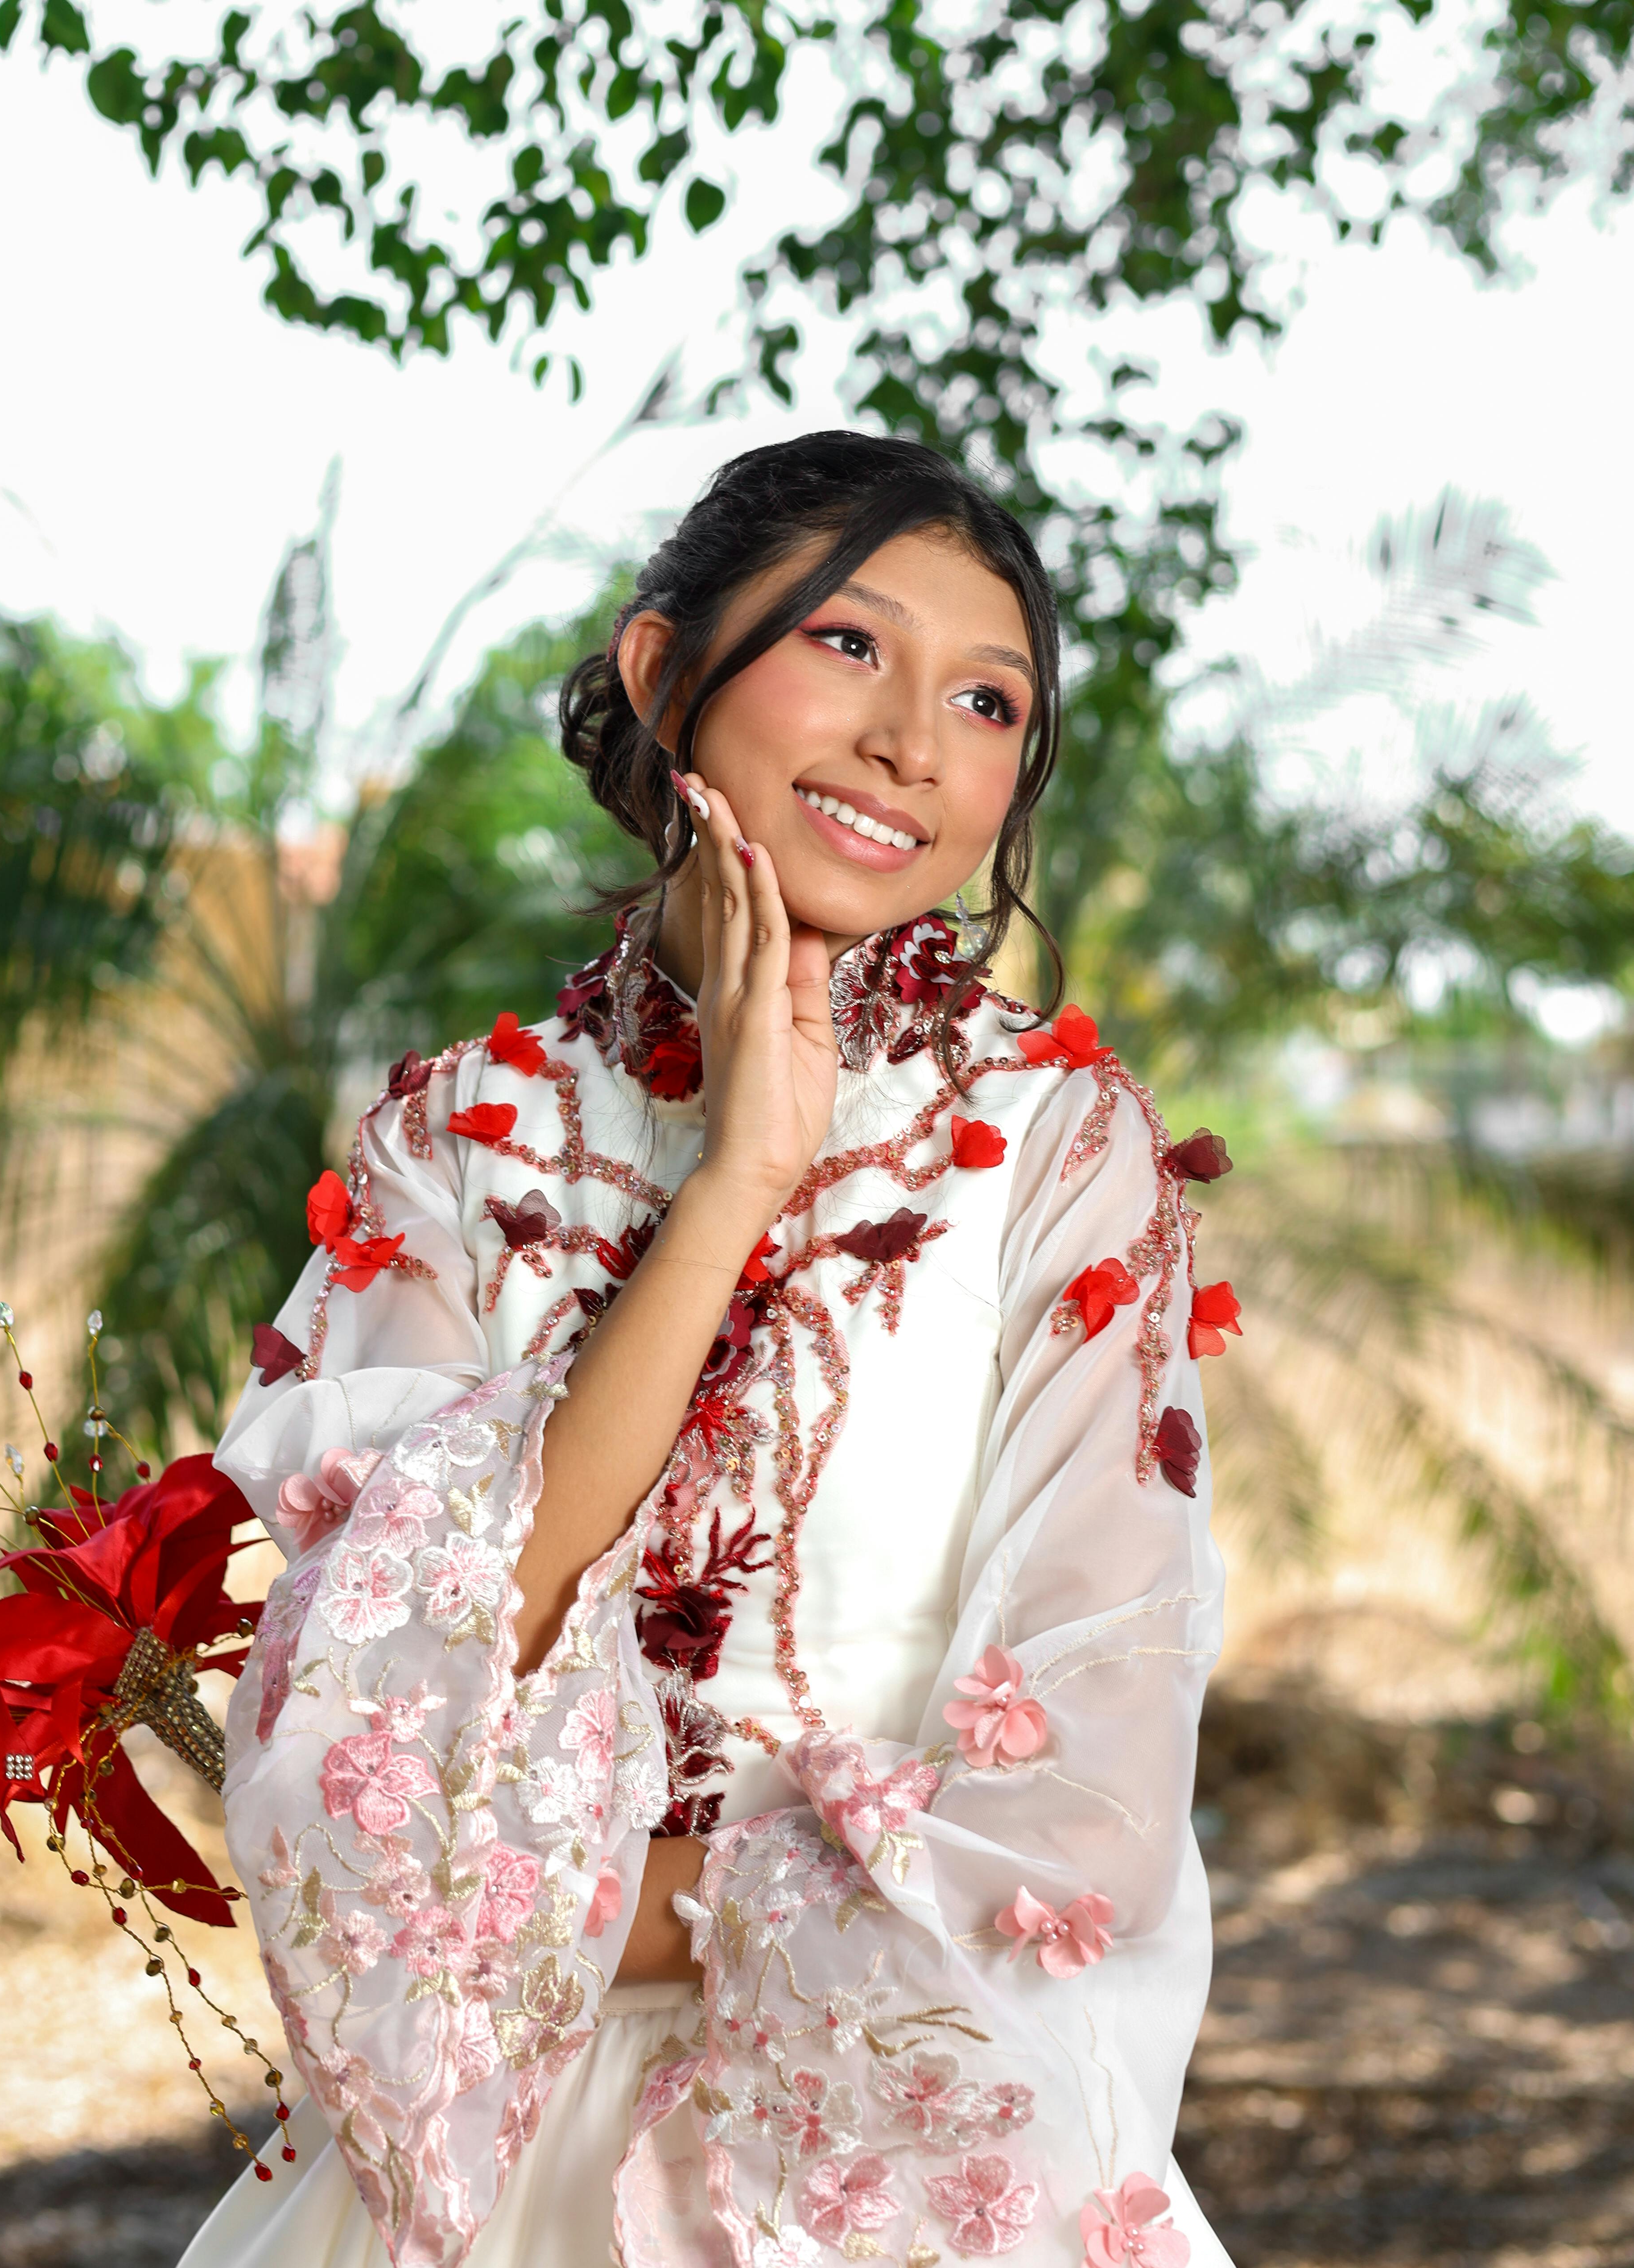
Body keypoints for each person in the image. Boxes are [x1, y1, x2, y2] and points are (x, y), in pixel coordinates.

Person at [181, 431, 1233, 2268]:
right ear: (666, 676)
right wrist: (741, 1173)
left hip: (898, 2150)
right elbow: (402, 1682)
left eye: (989, 700)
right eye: (850, 647)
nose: (916, 740)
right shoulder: (459, 1146)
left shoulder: (1067, 1160)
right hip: (483, 2149)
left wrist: (558, 1906)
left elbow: (1088, 1810)